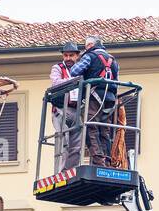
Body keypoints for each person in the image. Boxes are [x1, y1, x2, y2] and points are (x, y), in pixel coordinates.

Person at [66, 36, 118, 167]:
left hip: (94, 97)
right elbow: (116, 80)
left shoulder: (89, 56)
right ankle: (107, 160)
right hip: (110, 99)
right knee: (105, 130)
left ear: (89, 45)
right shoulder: (113, 60)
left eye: (85, 47)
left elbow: (74, 72)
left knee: (91, 127)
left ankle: (99, 161)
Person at [50, 41, 82, 171]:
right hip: (60, 109)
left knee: (77, 142)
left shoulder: (81, 68)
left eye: (71, 55)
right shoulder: (57, 67)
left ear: (77, 56)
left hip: (75, 110)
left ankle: (71, 170)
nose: (68, 58)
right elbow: (56, 83)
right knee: (64, 140)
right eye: (66, 55)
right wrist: (75, 80)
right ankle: (60, 172)